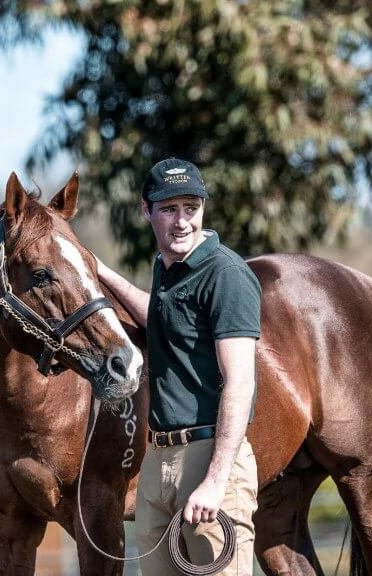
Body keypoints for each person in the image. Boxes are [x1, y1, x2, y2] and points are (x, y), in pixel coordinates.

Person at [96, 158, 262, 575]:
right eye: (169, 209)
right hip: (158, 461)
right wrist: (100, 273)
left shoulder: (226, 274)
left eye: (191, 207)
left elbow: (240, 382)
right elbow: (160, 317)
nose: (183, 221)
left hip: (209, 457)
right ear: (146, 210)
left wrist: (216, 481)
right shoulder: (166, 267)